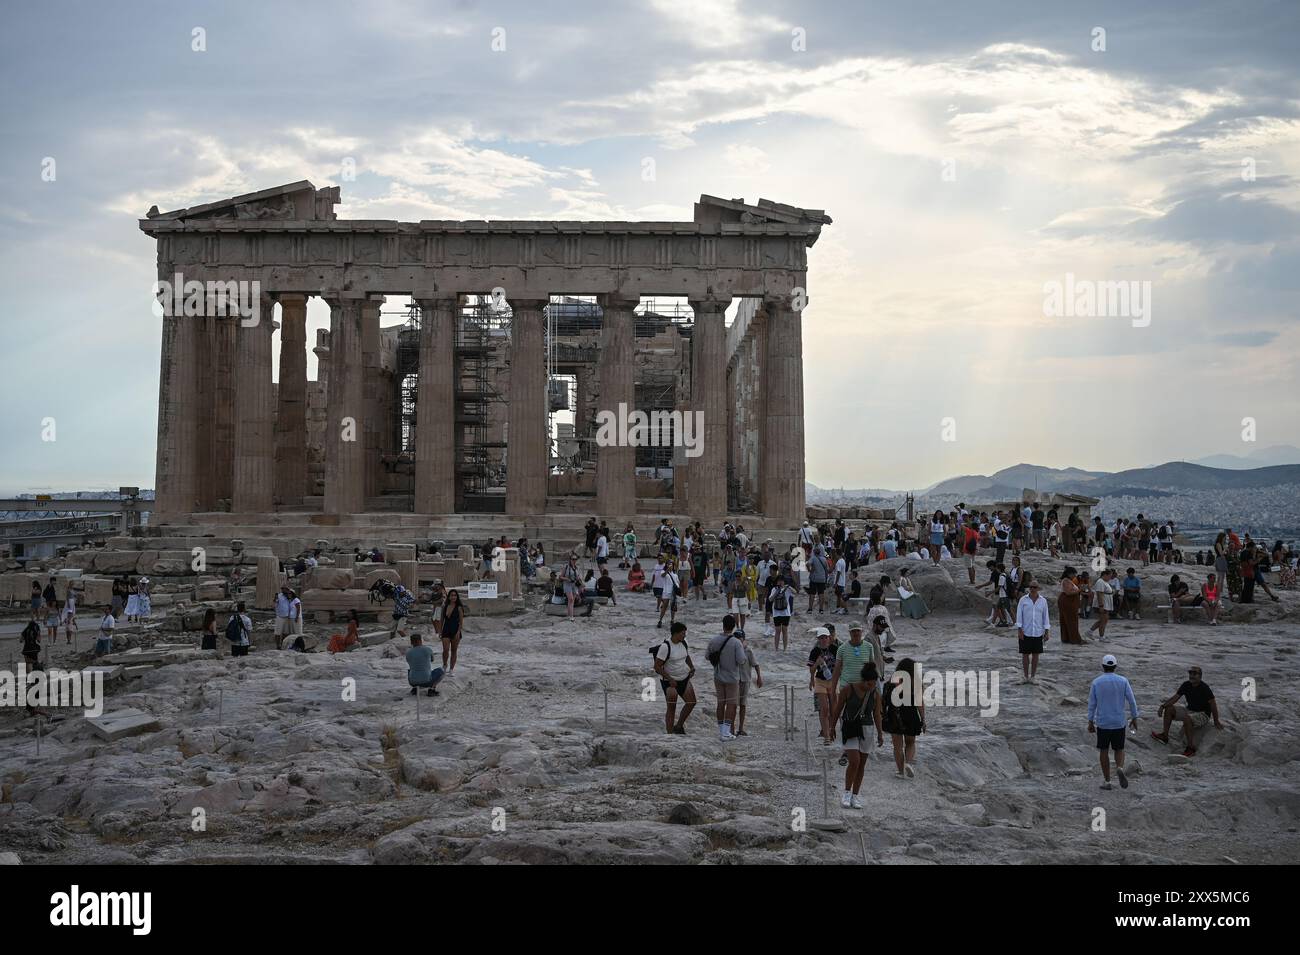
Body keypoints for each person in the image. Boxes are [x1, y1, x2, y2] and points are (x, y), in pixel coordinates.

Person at [830, 661, 883, 809]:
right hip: (850, 728)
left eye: (873, 685)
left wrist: (880, 733)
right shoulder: (848, 689)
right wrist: (831, 727)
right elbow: (838, 709)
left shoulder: (875, 694)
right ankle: (846, 792)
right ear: (863, 680)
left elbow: (877, 714)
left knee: (862, 765)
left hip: (867, 728)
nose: (871, 687)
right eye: (869, 684)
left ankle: (855, 795)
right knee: (854, 761)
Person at [1087, 653, 1139, 790]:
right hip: (1118, 721)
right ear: (1115, 666)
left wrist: (1090, 721)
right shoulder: (1123, 681)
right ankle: (1120, 767)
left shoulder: (1097, 682)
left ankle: (1107, 781)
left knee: (1104, 750)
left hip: (1103, 722)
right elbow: (1132, 701)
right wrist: (1135, 717)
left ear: (1102, 666)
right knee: (1119, 749)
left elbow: (1092, 704)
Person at [1151, 665, 1222, 757]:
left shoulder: (1204, 688)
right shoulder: (1186, 685)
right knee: (1169, 709)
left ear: (1200, 676)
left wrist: (1216, 721)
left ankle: (1190, 748)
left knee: (1187, 719)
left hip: (1203, 714)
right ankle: (1165, 736)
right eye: (1190, 673)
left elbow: (1213, 704)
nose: (1191, 675)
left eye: (1194, 673)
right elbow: (1175, 698)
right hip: (1189, 710)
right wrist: (1162, 706)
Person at [883, 657, 925, 778]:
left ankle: (901, 771)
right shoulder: (916, 682)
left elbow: (884, 698)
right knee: (910, 743)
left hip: (894, 714)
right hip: (910, 714)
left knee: (897, 746)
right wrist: (923, 719)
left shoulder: (892, 680)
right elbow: (919, 702)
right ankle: (908, 763)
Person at [707, 615, 747, 741]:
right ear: (734, 625)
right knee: (732, 704)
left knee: (720, 703)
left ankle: (721, 731)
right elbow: (741, 660)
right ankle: (725, 732)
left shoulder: (714, 640)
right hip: (732, 677)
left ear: (723, 624)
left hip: (718, 675)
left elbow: (707, 656)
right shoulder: (736, 642)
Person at [653, 621, 696, 734]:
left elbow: (686, 656)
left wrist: (691, 667)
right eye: (682, 633)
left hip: (684, 678)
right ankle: (670, 734)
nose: (684, 635)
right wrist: (670, 679)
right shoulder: (665, 647)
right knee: (672, 708)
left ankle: (679, 726)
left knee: (691, 702)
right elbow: (657, 667)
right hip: (670, 682)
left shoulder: (684, 642)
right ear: (675, 634)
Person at [807, 627, 840, 744]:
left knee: (833, 709)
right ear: (818, 639)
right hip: (820, 681)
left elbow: (840, 666)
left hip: (833, 681)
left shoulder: (835, 649)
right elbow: (811, 670)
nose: (824, 640)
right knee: (824, 709)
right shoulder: (815, 651)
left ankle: (831, 730)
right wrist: (817, 663)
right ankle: (826, 736)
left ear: (829, 638)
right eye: (821, 638)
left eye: (825, 637)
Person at [1015, 579, 1051, 683]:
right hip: (1025, 631)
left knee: (1036, 655)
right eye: (1030, 587)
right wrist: (1019, 629)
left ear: (1038, 588)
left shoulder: (1043, 601)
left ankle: (1033, 677)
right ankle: (1025, 676)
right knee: (1025, 654)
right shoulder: (1023, 600)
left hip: (1038, 631)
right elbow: (1019, 615)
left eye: (1034, 587)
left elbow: (1045, 616)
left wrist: (1047, 631)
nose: (1032, 589)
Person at [734, 628, 761, 737]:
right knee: (733, 705)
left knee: (743, 704)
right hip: (734, 680)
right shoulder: (731, 649)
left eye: (739, 638)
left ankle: (741, 728)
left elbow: (755, 664)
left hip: (745, 680)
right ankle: (731, 728)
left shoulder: (748, 651)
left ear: (743, 639)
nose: (737, 641)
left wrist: (759, 677)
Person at [769, 575, 795, 651]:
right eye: (779, 581)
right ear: (777, 582)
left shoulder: (787, 589)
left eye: (782, 580)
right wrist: (776, 592)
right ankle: (776, 648)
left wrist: (789, 587)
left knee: (785, 630)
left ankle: (785, 648)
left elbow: (795, 593)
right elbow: (770, 599)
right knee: (777, 631)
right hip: (776, 613)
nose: (780, 582)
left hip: (786, 613)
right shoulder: (774, 589)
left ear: (784, 581)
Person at [1058, 567, 1082, 645]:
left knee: (1067, 620)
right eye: (1073, 574)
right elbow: (1068, 592)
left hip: (1069, 602)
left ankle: (1067, 637)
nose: (1075, 575)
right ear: (1069, 574)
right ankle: (1074, 638)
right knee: (1071, 620)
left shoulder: (1068, 581)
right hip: (1068, 602)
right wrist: (1079, 590)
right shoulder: (1066, 581)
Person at [1088, 568, 1114, 641]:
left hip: (1106, 603)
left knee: (1104, 620)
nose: (1110, 578)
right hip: (1103, 603)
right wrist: (1101, 605)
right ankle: (1101, 636)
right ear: (1105, 575)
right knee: (1103, 620)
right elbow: (1100, 594)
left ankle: (1090, 632)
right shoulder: (1100, 582)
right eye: (1109, 576)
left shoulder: (1104, 582)